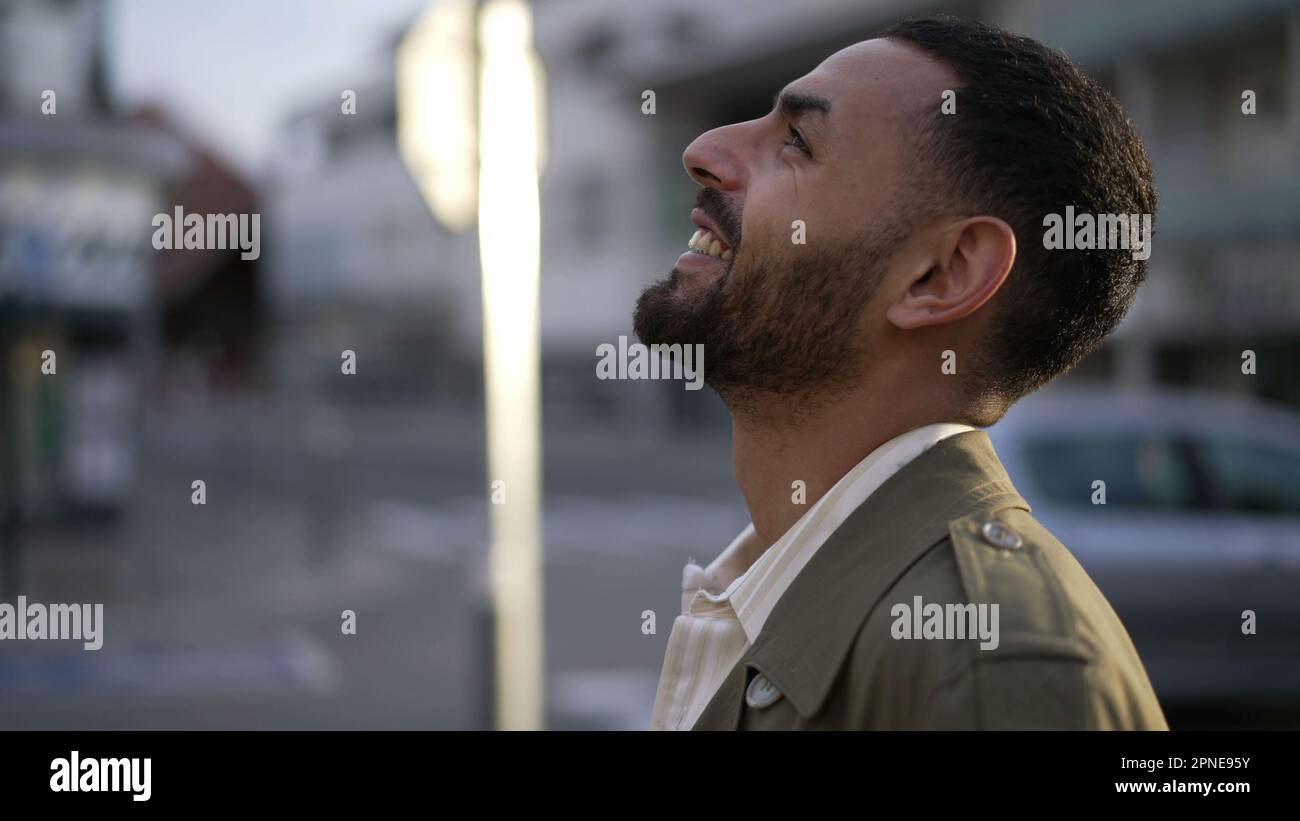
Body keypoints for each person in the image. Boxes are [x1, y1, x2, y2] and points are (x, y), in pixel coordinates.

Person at [634, 15, 1167, 730]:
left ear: (941, 275)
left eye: (796, 141)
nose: (703, 151)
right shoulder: (796, 586)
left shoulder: (989, 670)